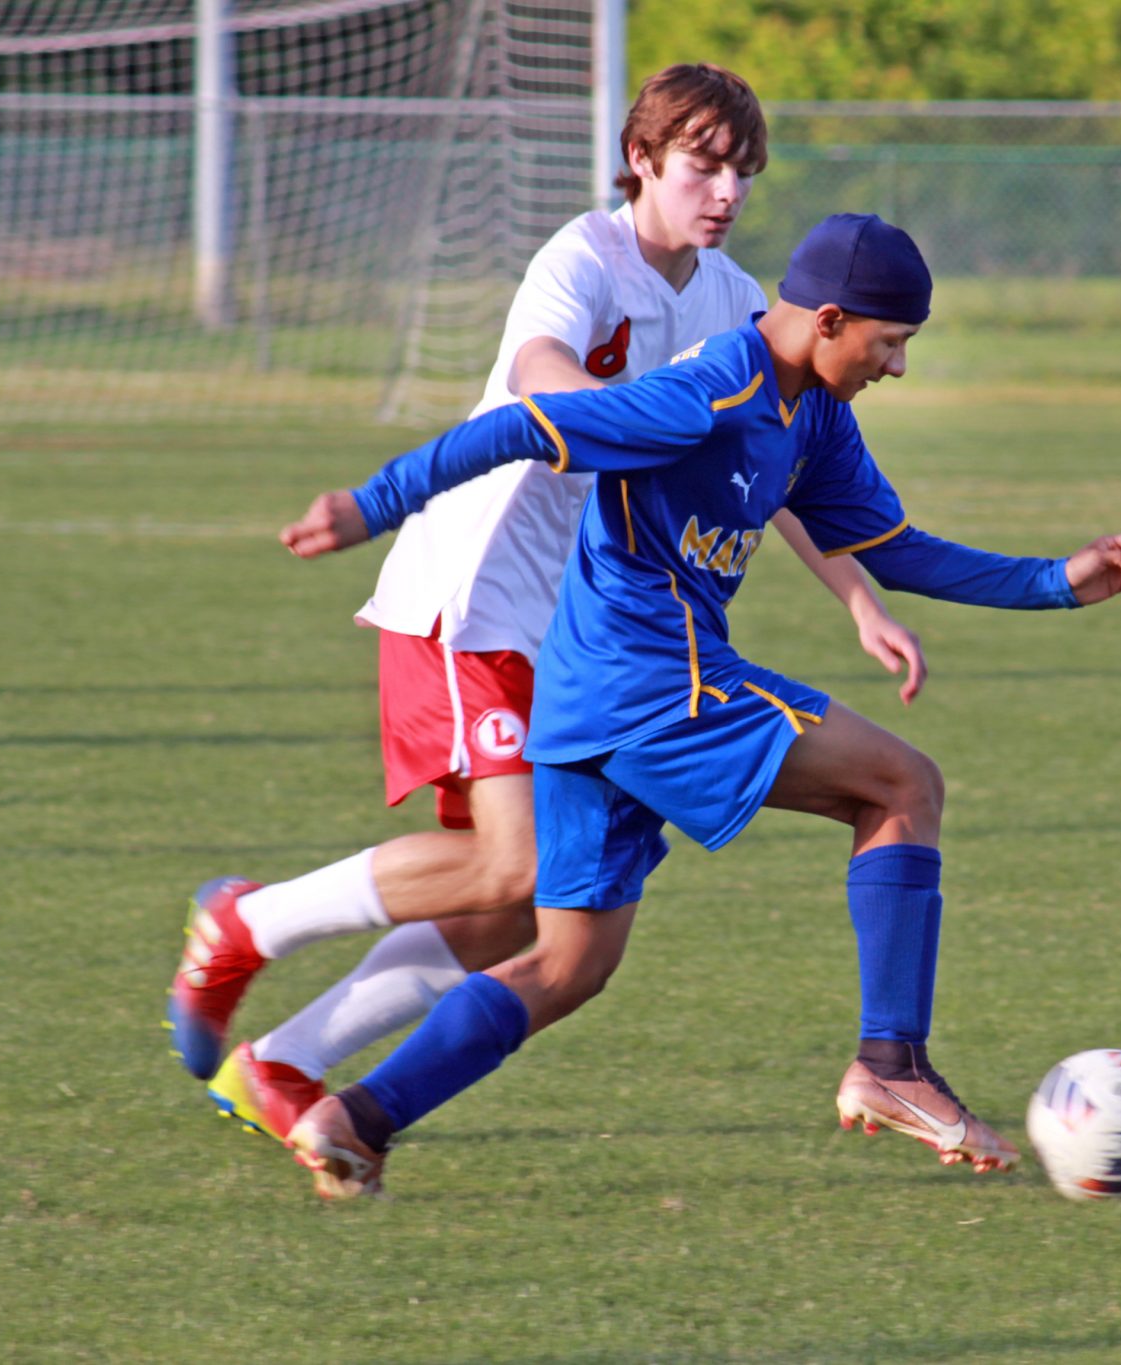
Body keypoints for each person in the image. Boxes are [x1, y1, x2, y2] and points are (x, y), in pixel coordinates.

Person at [270, 213, 1121, 1198]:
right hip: (653, 685)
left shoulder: (810, 415)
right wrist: (372, 504)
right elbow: (527, 423)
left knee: (568, 963)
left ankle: (356, 1119)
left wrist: (1055, 582)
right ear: (827, 321)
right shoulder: (703, 394)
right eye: (890, 343)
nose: (896, 367)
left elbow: (894, 549)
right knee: (900, 785)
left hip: (584, 701)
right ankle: (889, 1064)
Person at [166, 66, 929, 1144]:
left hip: (583, 629)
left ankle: (282, 1061)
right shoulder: (582, 258)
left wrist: (856, 595)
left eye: (741, 174)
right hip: (474, 596)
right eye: (700, 166)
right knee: (514, 868)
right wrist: (633, 419)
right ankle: (247, 921)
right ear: (642, 161)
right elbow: (536, 373)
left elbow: (773, 455)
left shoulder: (730, 297)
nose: (721, 192)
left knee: (516, 908)